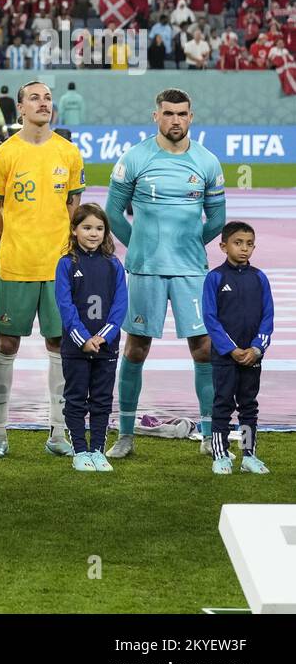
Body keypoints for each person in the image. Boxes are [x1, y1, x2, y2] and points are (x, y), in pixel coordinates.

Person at [104, 89, 227, 459]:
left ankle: (209, 435)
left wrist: (189, 243)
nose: (176, 120)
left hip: (191, 271)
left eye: (183, 114)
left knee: (203, 349)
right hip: (146, 271)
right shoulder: (135, 158)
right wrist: (139, 245)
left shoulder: (207, 162)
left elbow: (217, 220)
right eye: (169, 113)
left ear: (192, 117)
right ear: (155, 115)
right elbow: (113, 214)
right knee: (136, 349)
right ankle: (125, 435)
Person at [0, 81, 86, 458]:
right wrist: (16, 242)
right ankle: (1, 434)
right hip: (17, 266)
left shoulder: (69, 153)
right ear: (20, 108)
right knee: (7, 345)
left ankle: (57, 434)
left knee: (58, 346)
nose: (44, 103)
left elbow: (74, 207)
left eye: (47, 98)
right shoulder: (5, 155)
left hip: (58, 268)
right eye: (35, 98)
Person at [54, 204, 127, 472]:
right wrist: (83, 339)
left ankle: (97, 449)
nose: (93, 233)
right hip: (76, 348)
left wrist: (102, 337)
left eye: (99, 228)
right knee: (75, 398)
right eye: (86, 228)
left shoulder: (113, 265)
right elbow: (65, 307)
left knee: (101, 399)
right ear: (74, 230)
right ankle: (79, 450)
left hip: (106, 347)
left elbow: (120, 306)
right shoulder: (66, 264)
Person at [202, 222, 275, 475]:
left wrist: (256, 348)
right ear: (223, 246)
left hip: (252, 356)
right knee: (222, 403)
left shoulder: (259, 277)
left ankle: (248, 455)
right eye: (238, 243)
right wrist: (231, 349)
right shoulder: (215, 278)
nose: (244, 248)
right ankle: (220, 455)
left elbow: (268, 317)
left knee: (248, 405)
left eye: (249, 243)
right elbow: (210, 319)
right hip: (225, 357)